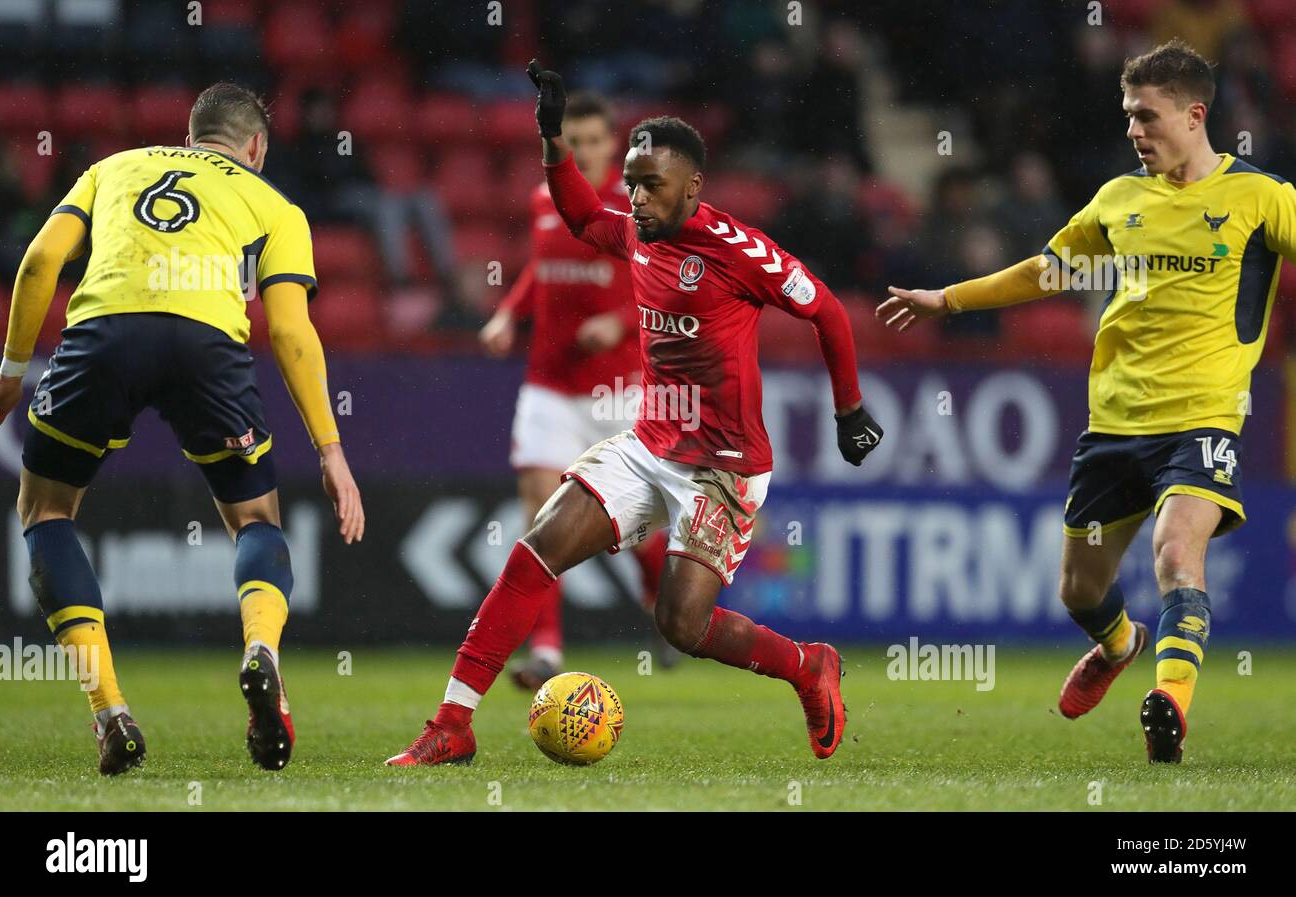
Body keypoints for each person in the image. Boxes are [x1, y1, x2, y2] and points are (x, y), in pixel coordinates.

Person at [385, 60, 884, 767]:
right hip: (648, 443)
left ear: (694, 187)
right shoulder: (632, 230)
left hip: (723, 467)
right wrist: (553, 142)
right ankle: (452, 725)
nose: (638, 199)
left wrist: (849, 409)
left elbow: (827, 309)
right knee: (534, 553)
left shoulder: (740, 252)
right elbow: (583, 212)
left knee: (681, 625)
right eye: (633, 183)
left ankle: (806, 665)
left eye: (653, 186)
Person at [879, 40, 1296, 764]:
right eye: (1128, 117)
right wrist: (947, 298)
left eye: (1147, 116)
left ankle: (1169, 705)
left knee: (1175, 552)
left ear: (1195, 115)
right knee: (1078, 592)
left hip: (1203, 419)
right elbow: (1050, 270)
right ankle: (1120, 643)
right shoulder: (1118, 201)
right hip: (1114, 426)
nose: (1134, 131)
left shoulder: (1261, 199)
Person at [0, 82, 365, 776]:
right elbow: (289, 329)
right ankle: (262, 654)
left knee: (45, 509)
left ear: (189, 134)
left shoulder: (112, 169)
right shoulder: (274, 205)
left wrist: (14, 368)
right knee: (256, 518)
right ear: (255, 145)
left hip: (103, 337)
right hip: (207, 348)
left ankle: (111, 714)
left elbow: (40, 261)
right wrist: (331, 448)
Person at [478, 91, 668, 689]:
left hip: (617, 390)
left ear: (613, 145)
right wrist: (509, 311)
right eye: (572, 142)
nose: (582, 152)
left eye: (592, 142)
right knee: (541, 514)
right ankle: (548, 653)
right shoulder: (545, 199)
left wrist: (619, 320)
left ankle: (660, 603)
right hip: (549, 385)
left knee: (634, 528)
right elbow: (542, 268)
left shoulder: (633, 207)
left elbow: (664, 285)